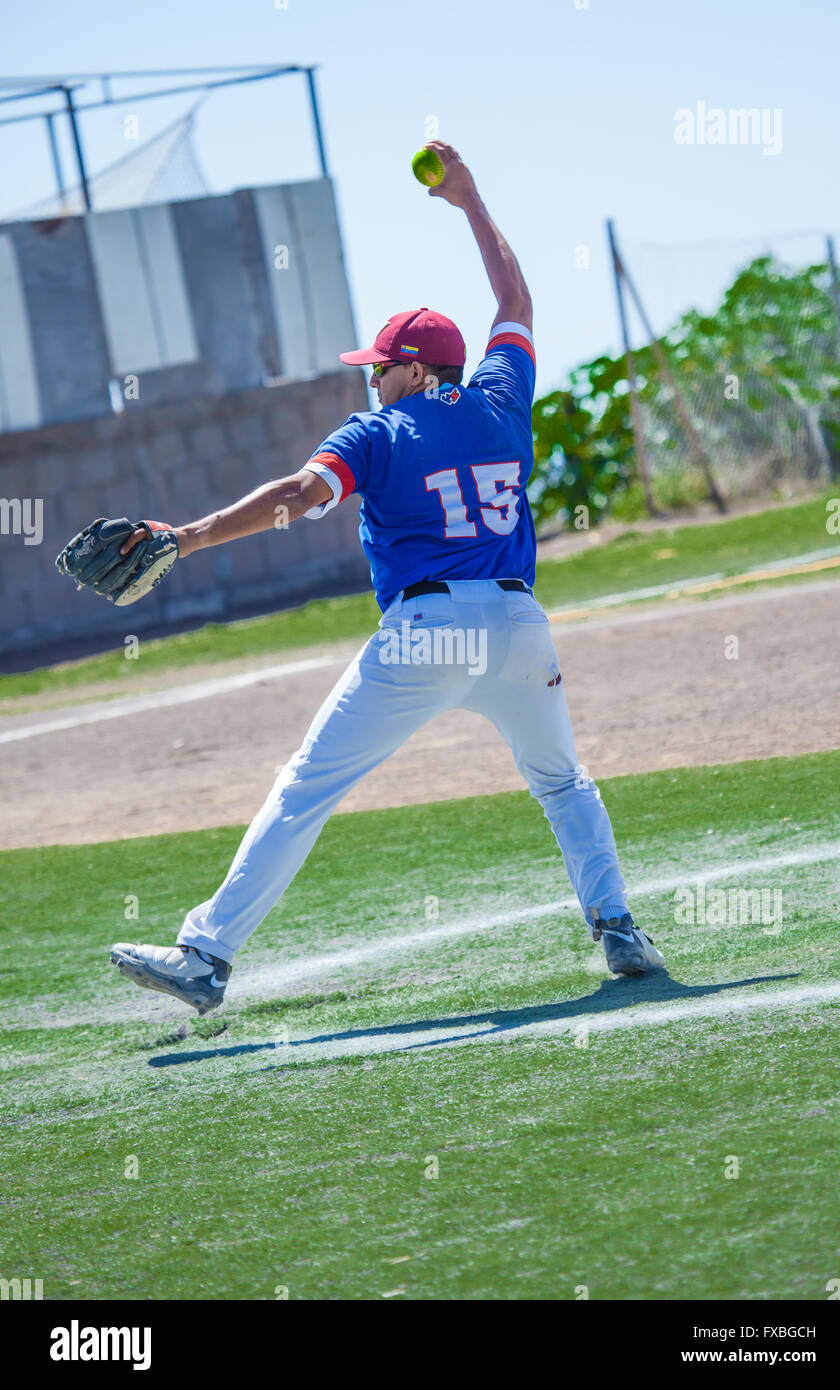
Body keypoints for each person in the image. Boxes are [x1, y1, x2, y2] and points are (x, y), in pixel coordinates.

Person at [110, 141, 663, 1015]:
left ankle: (205, 956)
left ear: (413, 370)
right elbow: (514, 299)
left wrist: (186, 536)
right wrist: (472, 201)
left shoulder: (380, 435)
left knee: (306, 789)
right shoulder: (500, 398)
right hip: (522, 629)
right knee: (562, 781)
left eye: (380, 367)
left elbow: (298, 494)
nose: (372, 381)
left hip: (427, 635)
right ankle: (620, 927)